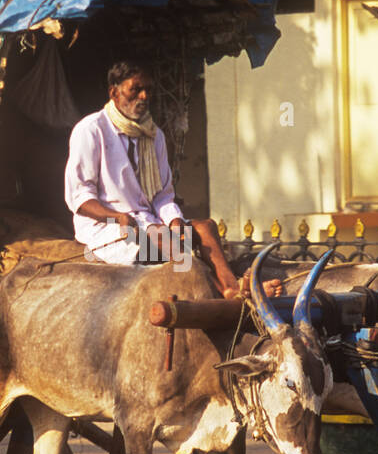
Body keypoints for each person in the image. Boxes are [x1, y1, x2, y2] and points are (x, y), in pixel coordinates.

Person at [64, 60, 271, 299]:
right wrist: (118, 217)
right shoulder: (91, 129)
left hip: (150, 224)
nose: (143, 96)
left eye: (148, 90)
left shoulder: (154, 135)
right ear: (114, 92)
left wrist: (175, 222)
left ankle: (231, 287)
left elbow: (162, 195)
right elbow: (79, 196)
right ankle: (221, 290)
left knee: (205, 227)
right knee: (162, 238)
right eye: (135, 89)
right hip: (109, 229)